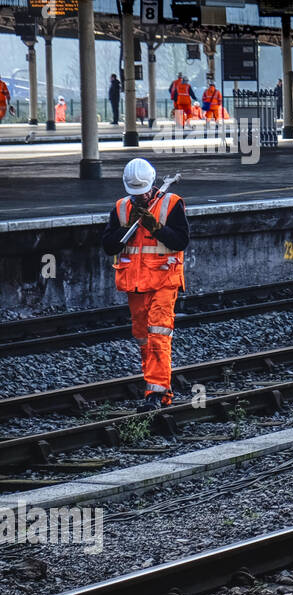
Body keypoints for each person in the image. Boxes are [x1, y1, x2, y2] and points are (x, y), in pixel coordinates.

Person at [100, 158, 189, 411]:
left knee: (158, 335)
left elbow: (181, 241)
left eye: (144, 192)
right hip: (135, 284)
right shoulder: (121, 208)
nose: (141, 197)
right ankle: (156, 387)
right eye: (136, 194)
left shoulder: (171, 204)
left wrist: (155, 227)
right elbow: (108, 246)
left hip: (163, 280)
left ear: (152, 185)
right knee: (143, 338)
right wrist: (126, 229)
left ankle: (156, 395)